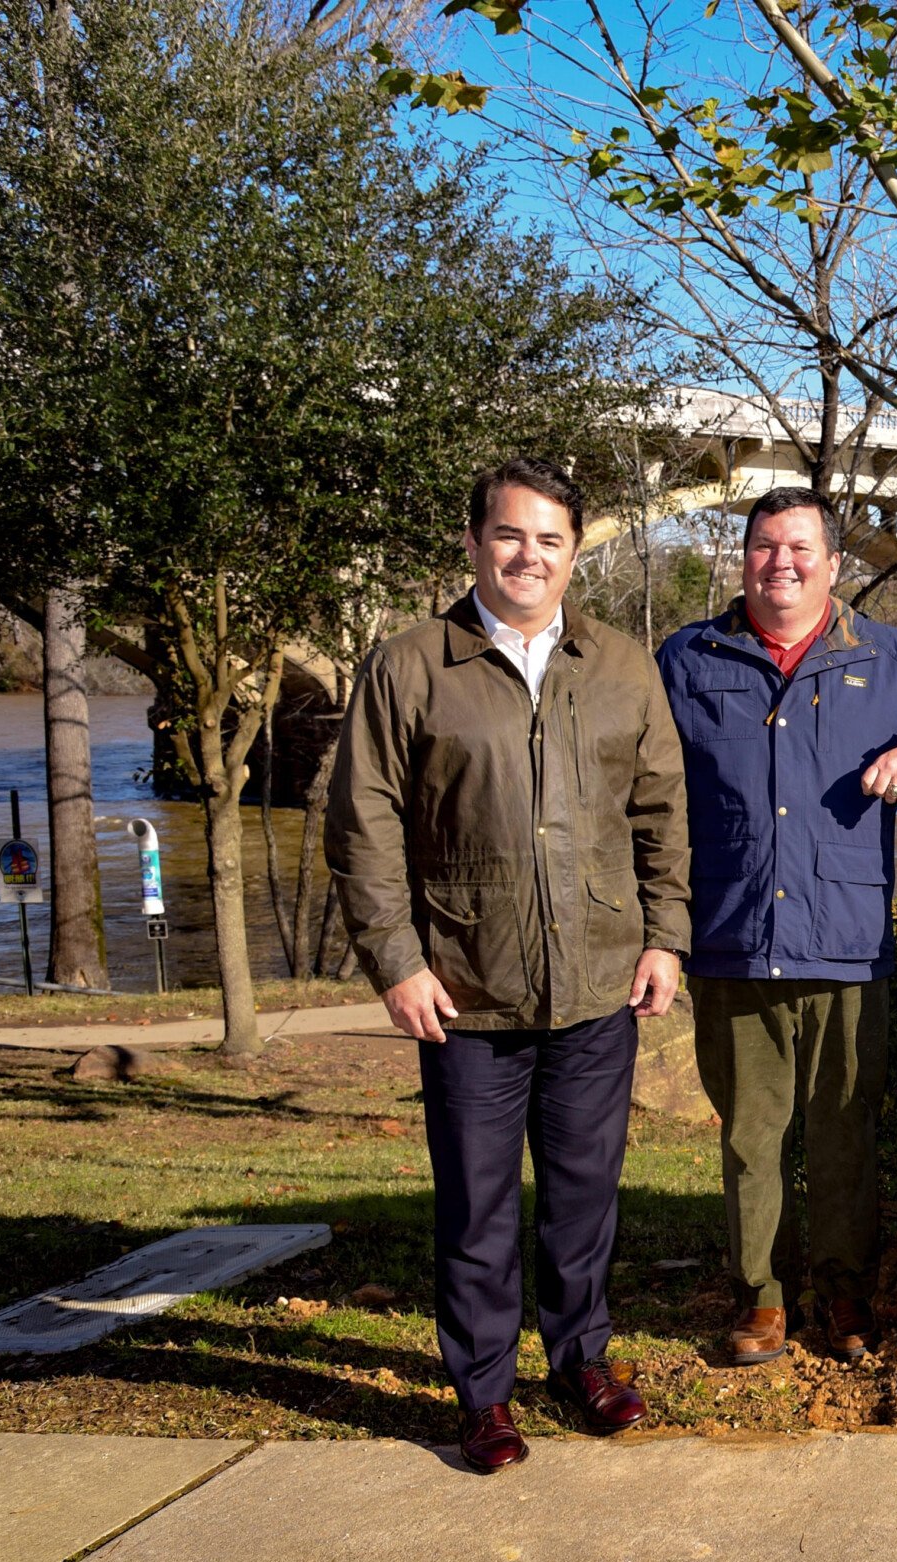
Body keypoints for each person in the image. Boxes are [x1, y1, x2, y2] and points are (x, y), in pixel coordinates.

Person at [328, 457, 690, 1474]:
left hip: (597, 981)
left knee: (584, 1196)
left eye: (551, 539)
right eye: (510, 534)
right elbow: (363, 821)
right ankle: (484, 1392)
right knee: (477, 1205)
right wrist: (397, 960)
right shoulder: (411, 665)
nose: (529, 555)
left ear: (576, 552)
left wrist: (665, 934)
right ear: (475, 540)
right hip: (466, 985)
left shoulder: (622, 664)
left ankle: (581, 1361)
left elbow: (662, 812)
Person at [657, 488, 897, 1366]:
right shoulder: (688, 659)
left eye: (801, 548)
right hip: (731, 936)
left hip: (847, 939)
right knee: (748, 1131)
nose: (783, 563)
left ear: (834, 563)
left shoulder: (888, 658)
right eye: (766, 546)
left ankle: (845, 1288)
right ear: (744, 558)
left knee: (846, 1127)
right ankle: (760, 1297)